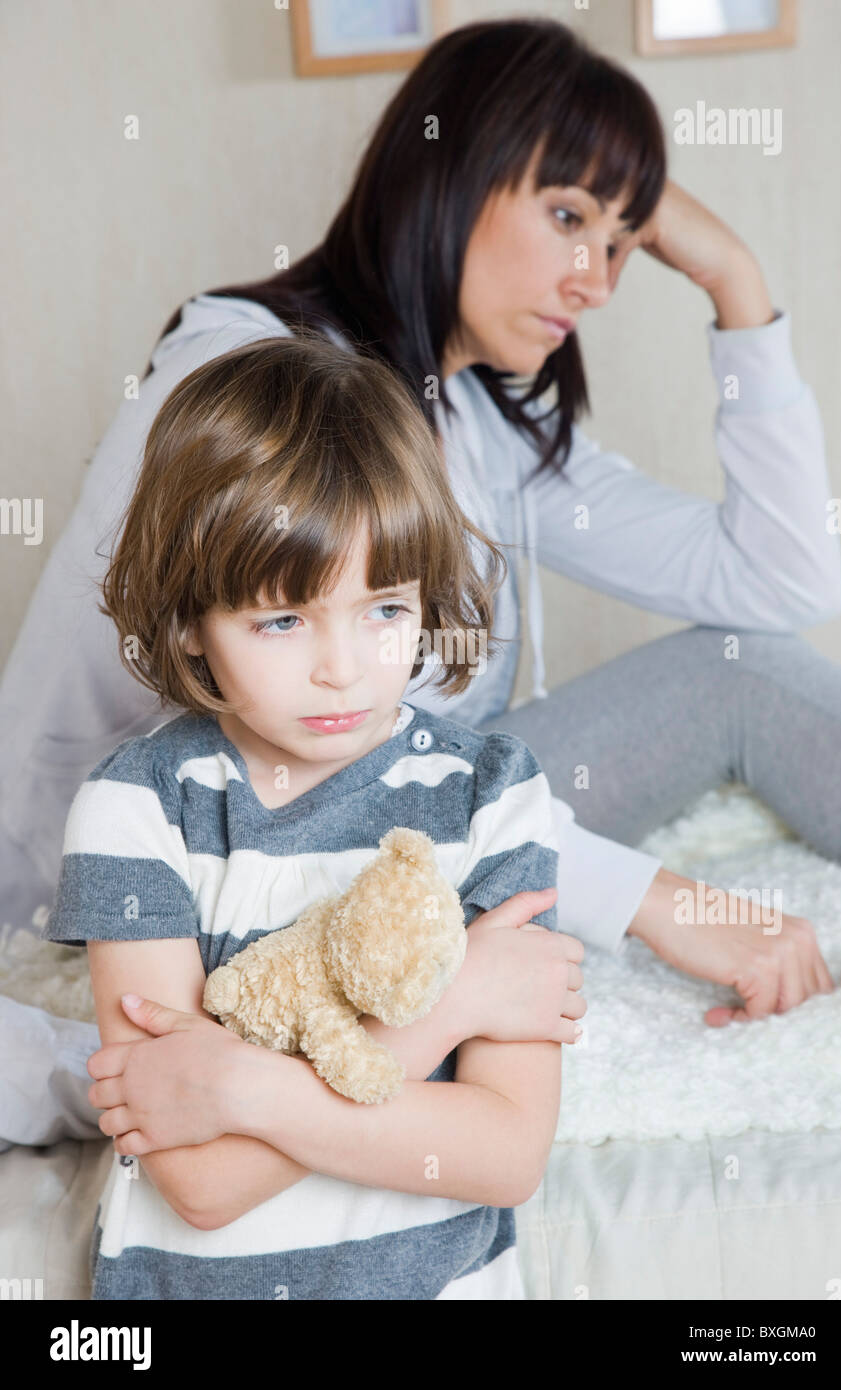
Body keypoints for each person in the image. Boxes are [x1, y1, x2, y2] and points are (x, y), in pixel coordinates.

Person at [3, 18, 841, 1024]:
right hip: (202, 862)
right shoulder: (243, 379)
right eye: (569, 216)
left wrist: (733, 280)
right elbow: (277, 752)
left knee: (738, 669)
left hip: (405, 816)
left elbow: (781, 579)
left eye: (624, 242)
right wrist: (648, 897)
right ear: (450, 174)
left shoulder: (477, 420)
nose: (597, 278)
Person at [42, 332, 585, 1301]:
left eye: (383, 608)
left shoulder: (491, 792)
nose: (342, 666)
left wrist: (246, 1090)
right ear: (189, 621)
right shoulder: (138, 808)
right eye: (282, 620)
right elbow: (204, 1184)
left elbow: (503, 1154)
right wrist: (451, 1005)